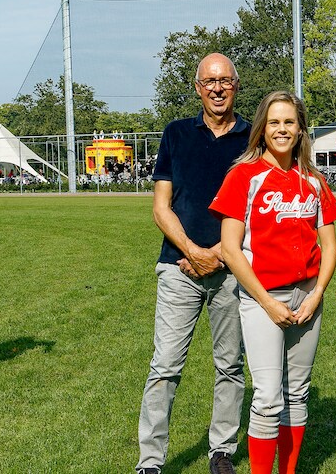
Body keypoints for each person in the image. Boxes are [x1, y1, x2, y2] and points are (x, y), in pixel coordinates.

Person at [211, 91, 336, 474]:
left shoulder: (313, 180)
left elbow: (330, 245)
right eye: (274, 122)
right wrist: (267, 302)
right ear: (262, 129)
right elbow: (232, 251)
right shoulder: (243, 176)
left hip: (307, 299)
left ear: (301, 129)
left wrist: (317, 295)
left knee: (297, 395)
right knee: (268, 398)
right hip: (262, 299)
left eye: (289, 122)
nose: (282, 129)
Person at [137, 53, 248, 474]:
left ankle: (221, 452)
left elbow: (255, 208)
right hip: (178, 268)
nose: (217, 88)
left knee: (230, 365)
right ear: (197, 87)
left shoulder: (252, 138)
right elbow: (161, 207)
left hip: (232, 269)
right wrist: (191, 250)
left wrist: (219, 253)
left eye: (225, 81)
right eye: (209, 81)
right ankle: (150, 462)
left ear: (236, 86)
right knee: (165, 365)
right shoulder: (176, 134)